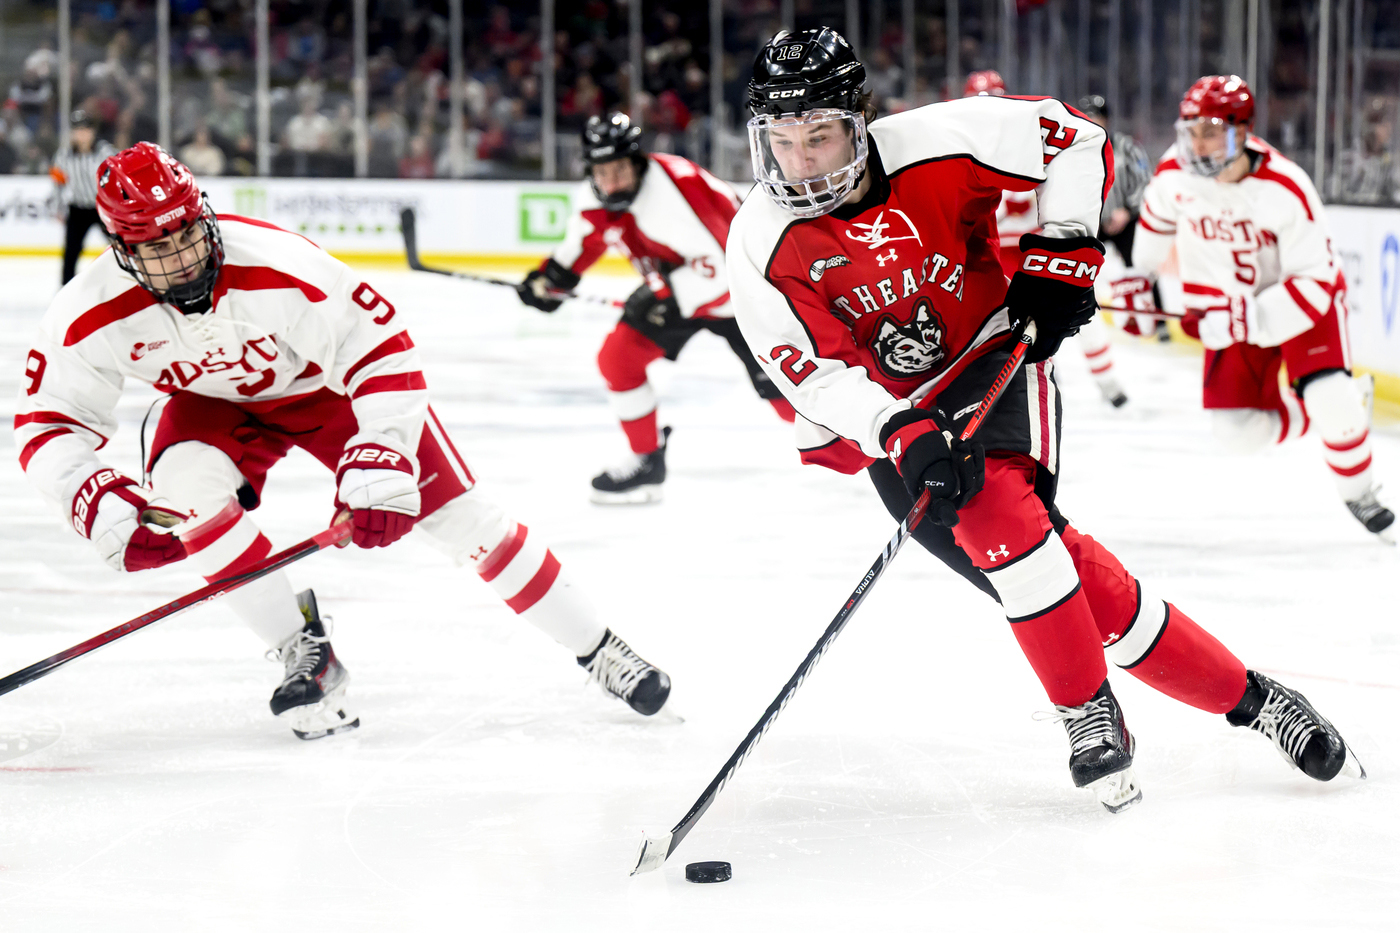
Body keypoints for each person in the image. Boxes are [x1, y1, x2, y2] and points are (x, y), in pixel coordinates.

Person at [728, 29, 1364, 811]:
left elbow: (1075, 137)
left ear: (860, 120)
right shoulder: (759, 237)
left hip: (995, 359)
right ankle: (1261, 701)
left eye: (819, 135)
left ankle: (1087, 714)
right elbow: (813, 374)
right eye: (781, 141)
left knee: (1001, 523)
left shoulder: (935, 140)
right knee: (1068, 589)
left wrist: (1062, 250)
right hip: (894, 418)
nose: (801, 162)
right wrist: (897, 427)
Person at [15, 143, 671, 740]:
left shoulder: (277, 263)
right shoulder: (87, 310)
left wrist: (383, 448)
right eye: (159, 250)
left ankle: (599, 646)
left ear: (204, 215)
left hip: (327, 392)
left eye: (187, 235)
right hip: (209, 407)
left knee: (462, 520)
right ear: (123, 253)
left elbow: (380, 345)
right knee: (186, 493)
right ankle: (304, 650)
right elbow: (48, 421)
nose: (183, 258)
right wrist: (91, 495)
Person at [1119, 76, 1394, 540]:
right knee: (1237, 433)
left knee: (1332, 399)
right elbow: (1154, 230)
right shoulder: (1173, 177)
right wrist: (1138, 281)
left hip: (1300, 303)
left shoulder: (1286, 186)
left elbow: (1317, 279)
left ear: (1242, 132)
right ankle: (1325, 407)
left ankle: (1360, 492)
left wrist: (1257, 317)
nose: (1198, 144)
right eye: (1190, 130)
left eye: (1211, 130)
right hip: (1227, 317)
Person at [517, 112, 795, 504]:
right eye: (602, 172)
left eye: (619, 170)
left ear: (637, 162)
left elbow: (726, 267)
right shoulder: (597, 195)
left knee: (788, 400)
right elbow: (585, 242)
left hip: (749, 294)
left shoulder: (678, 190)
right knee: (618, 359)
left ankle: (864, 443)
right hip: (681, 294)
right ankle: (646, 462)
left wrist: (666, 297)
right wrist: (550, 280)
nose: (611, 182)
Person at [962, 73, 1129, 407]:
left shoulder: (1019, 139)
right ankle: (1037, 381)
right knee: (1006, 330)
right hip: (1000, 254)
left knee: (1074, 316)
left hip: (1030, 249)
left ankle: (1106, 386)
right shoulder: (978, 147)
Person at [50, 110, 116, 285]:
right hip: (78, 207)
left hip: (103, 208)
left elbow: (118, 177)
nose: (82, 134)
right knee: (71, 252)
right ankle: (65, 289)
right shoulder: (64, 156)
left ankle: (132, 282)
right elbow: (58, 182)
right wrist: (57, 207)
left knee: (121, 247)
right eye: (78, 130)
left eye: (85, 129)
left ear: (93, 131)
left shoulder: (105, 152)